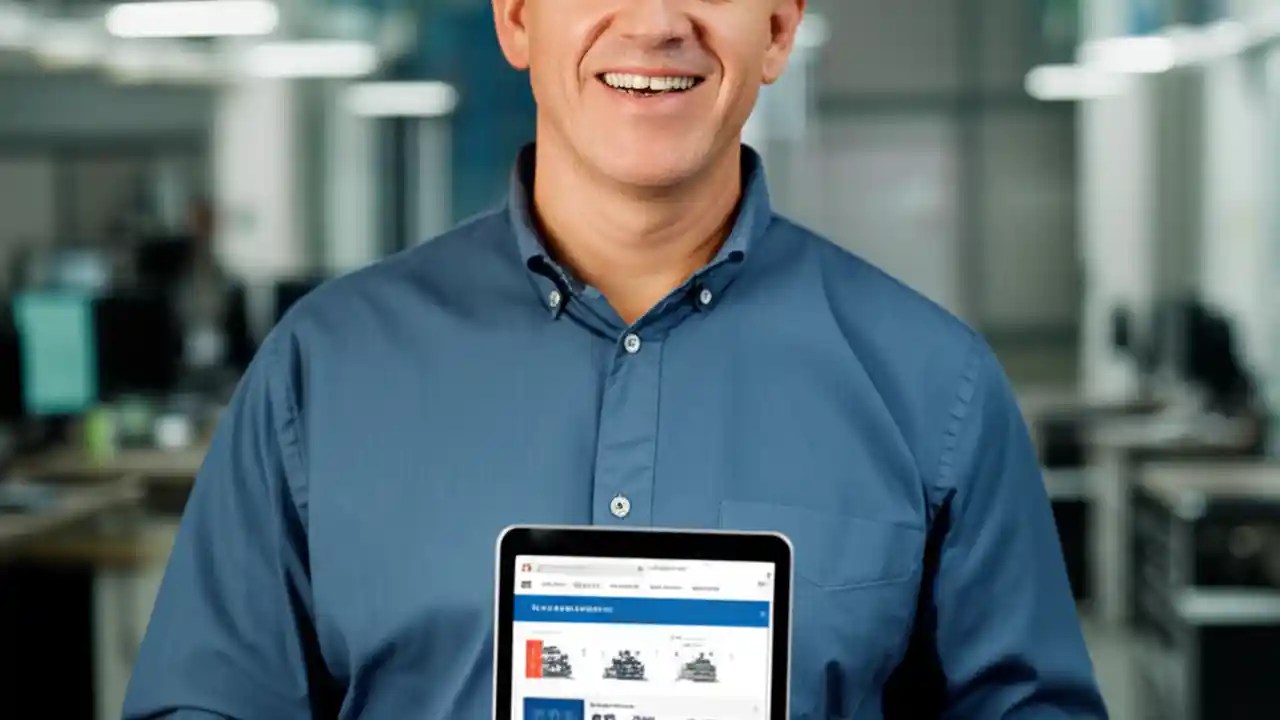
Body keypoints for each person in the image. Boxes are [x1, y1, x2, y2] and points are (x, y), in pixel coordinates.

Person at [123, 0, 1107, 717]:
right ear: (514, 19)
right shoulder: (322, 372)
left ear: (776, 29)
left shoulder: (934, 386)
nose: (654, 23)